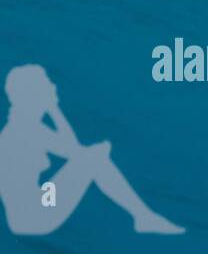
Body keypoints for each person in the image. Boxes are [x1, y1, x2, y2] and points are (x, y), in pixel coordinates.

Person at [0, 64, 184, 235]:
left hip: (30, 211)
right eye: (46, 82)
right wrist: (54, 109)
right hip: (34, 215)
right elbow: (74, 150)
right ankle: (143, 217)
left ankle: (143, 216)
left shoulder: (21, 127)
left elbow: (72, 150)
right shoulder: (27, 129)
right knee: (94, 158)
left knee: (91, 157)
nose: (52, 86)